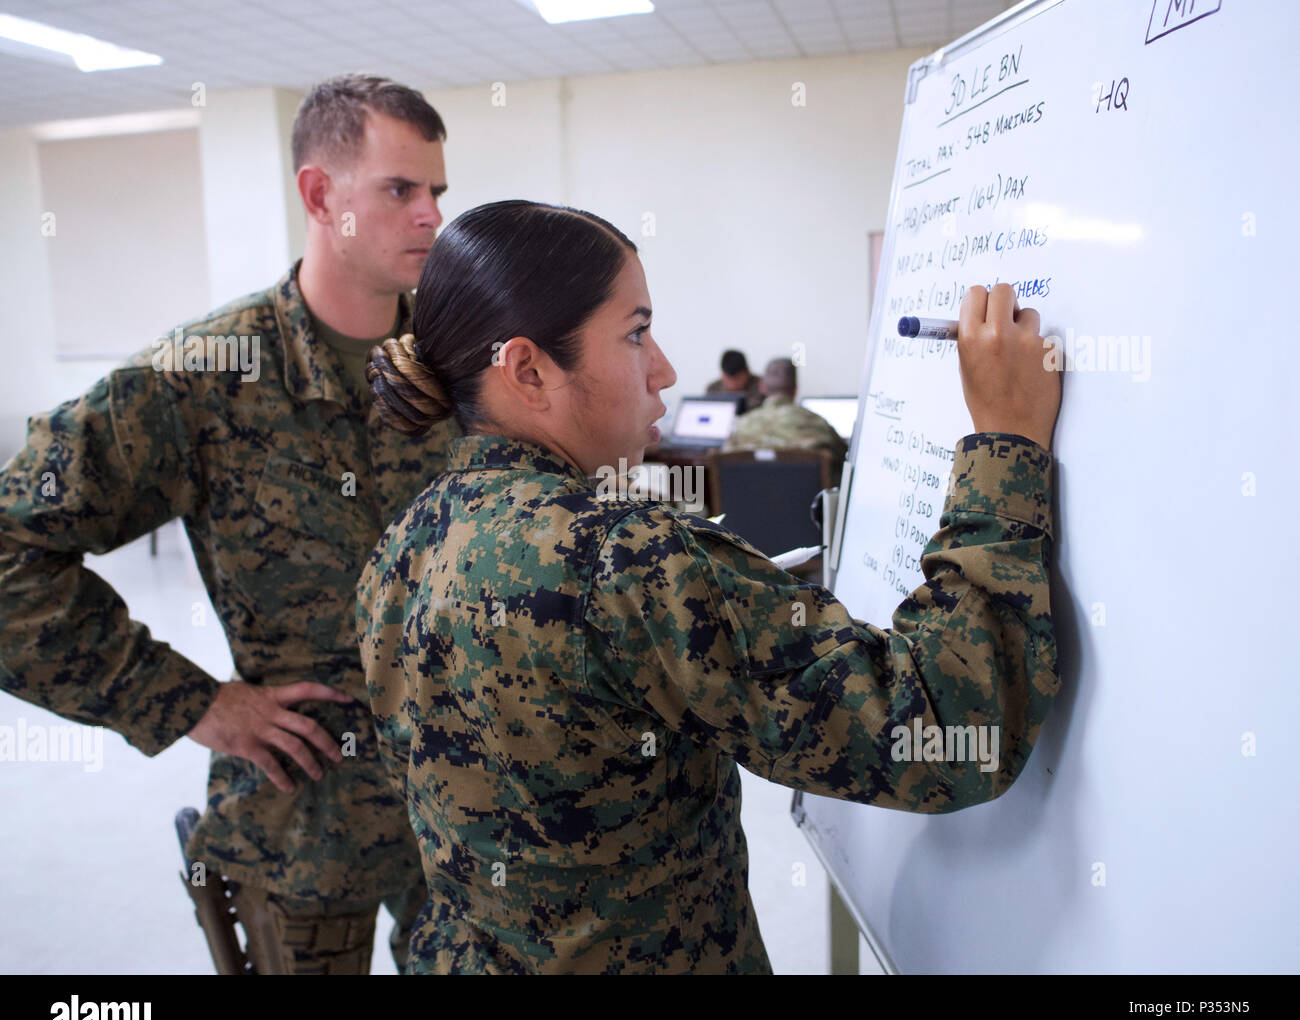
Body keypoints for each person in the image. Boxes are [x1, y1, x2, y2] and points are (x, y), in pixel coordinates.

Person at [356, 200, 1062, 975]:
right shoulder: (620, 562)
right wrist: (1006, 440)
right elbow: (953, 725)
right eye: (634, 333)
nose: (661, 368)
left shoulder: (400, 547)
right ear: (528, 370)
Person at [0, 75, 457, 974]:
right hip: (305, 822)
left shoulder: (457, 365)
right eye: (400, 190)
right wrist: (193, 703)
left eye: (438, 191)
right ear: (321, 196)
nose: (431, 217)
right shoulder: (204, 377)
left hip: (465, 816)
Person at [722, 356, 849, 483]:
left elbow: (723, 463)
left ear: (762, 387)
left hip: (745, 500)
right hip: (804, 501)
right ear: (795, 389)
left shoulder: (741, 425)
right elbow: (846, 458)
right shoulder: (817, 423)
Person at [705, 348, 763, 412]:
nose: (733, 385)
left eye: (737, 379)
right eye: (728, 379)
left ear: (747, 372)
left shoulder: (762, 387)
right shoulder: (713, 389)